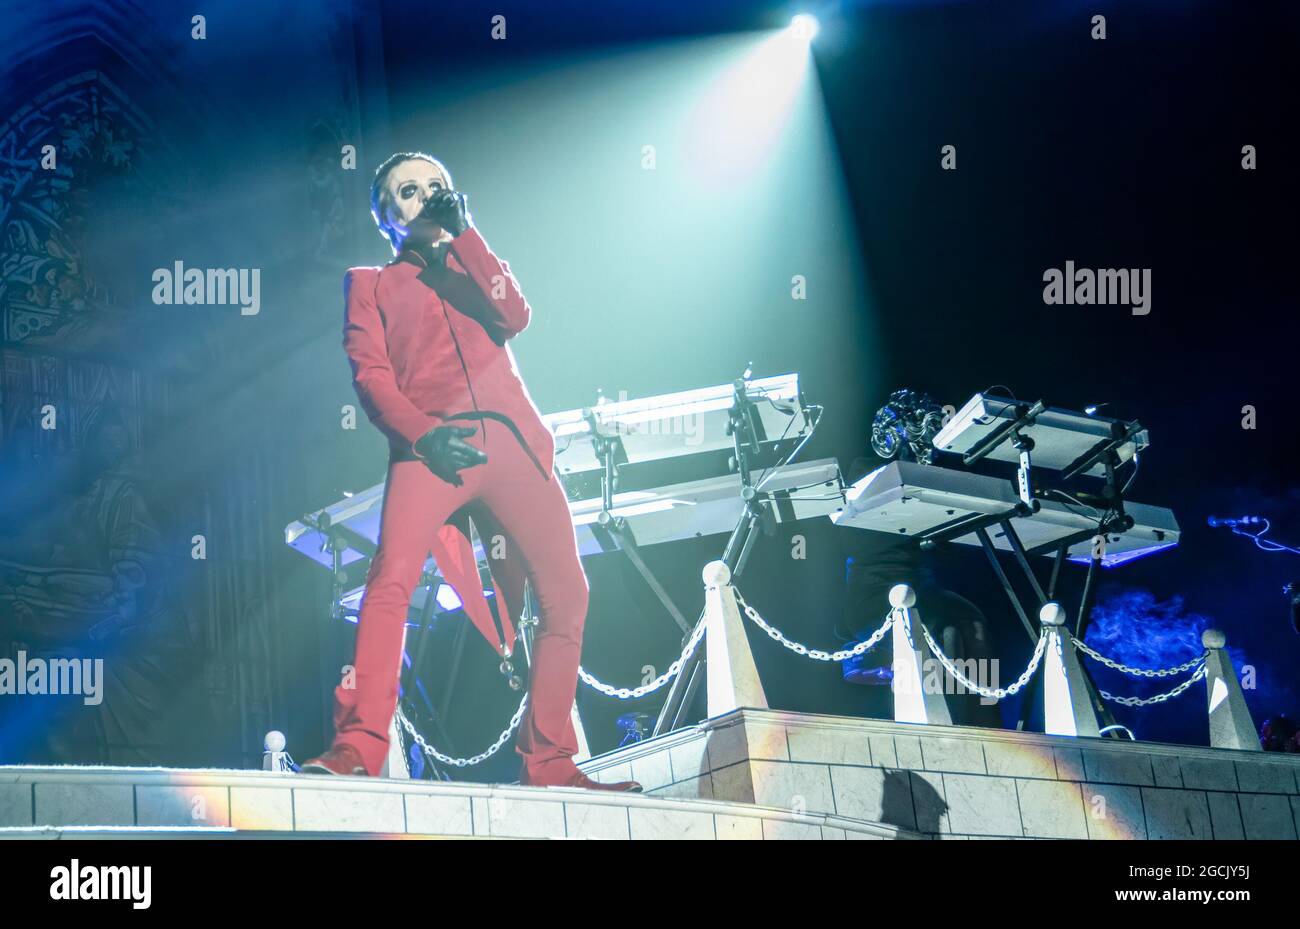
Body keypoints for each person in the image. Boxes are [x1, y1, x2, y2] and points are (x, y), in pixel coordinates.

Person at [301, 152, 639, 791]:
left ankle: (550, 762)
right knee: (391, 580)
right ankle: (358, 748)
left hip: (511, 441)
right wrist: (425, 435)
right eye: (408, 192)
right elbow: (371, 377)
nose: (425, 197)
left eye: (437, 187)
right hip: (432, 446)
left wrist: (470, 236)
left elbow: (516, 316)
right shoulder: (369, 284)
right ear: (386, 217)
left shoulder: (472, 260)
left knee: (568, 592)